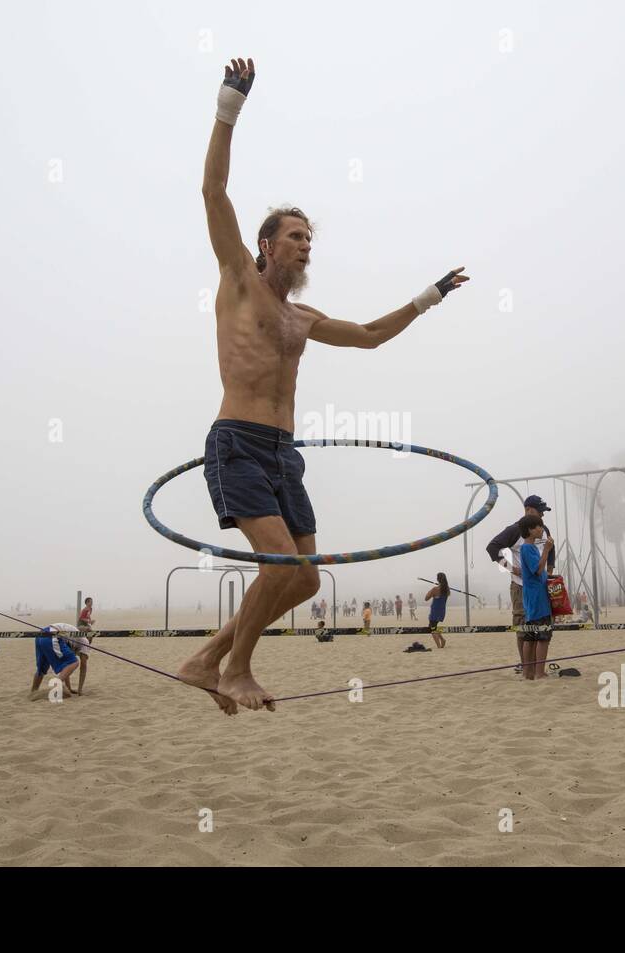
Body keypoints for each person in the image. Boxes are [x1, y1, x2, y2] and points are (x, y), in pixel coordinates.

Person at [175, 57, 470, 714]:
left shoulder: (302, 318)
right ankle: (236, 669)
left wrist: (430, 296)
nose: (307, 246)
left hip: (284, 454)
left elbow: (366, 334)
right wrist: (229, 107)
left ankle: (203, 658)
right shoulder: (237, 278)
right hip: (238, 442)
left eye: (311, 238)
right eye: (296, 236)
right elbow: (212, 191)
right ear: (266, 244)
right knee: (280, 564)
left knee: (305, 579)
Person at [485, 495, 557, 667]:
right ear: (529, 510)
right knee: (522, 627)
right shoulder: (514, 530)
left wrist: (549, 571)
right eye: (540, 512)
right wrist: (512, 568)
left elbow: (550, 548)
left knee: (542, 628)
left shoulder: (543, 529)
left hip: (540, 587)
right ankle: (526, 666)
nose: (543, 516)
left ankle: (537, 667)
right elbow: (492, 547)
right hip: (520, 586)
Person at [517, 517, 554, 679]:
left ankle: (528, 672)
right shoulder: (528, 548)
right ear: (530, 530)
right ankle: (539, 672)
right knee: (542, 637)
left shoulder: (528, 548)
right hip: (537, 600)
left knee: (530, 636)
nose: (541, 529)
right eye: (538, 526)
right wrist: (547, 549)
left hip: (532, 598)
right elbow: (538, 570)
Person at [30, 624, 80, 700]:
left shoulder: (73, 636)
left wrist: (69, 688)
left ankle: (33, 692)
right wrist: (80, 690)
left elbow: (66, 668)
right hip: (52, 635)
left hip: (41, 634)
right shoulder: (85, 641)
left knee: (42, 669)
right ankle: (56, 687)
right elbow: (83, 665)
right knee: (74, 662)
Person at [424, 573, 450, 649]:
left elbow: (426, 598)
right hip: (442, 611)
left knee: (432, 629)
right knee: (433, 627)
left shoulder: (435, 589)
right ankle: (442, 640)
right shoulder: (447, 589)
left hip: (435, 611)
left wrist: (431, 590)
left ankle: (439, 645)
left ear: (438, 579)